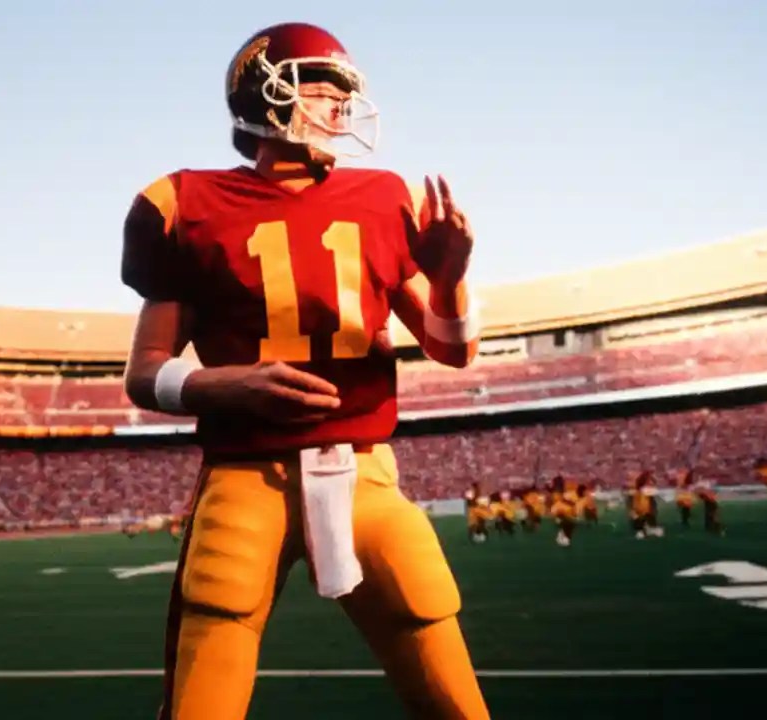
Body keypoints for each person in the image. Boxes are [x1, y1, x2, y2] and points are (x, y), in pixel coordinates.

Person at [119, 22, 490, 720]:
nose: (338, 108)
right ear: (266, 94)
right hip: (243, 478)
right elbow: (145, 372)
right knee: (211, 658)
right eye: (320, 89)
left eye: (343, 94)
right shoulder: (181, 203)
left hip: (365, 474)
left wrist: (450, 280)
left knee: (431, 628)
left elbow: (452, 348)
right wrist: (218, 384)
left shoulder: (387, 197)